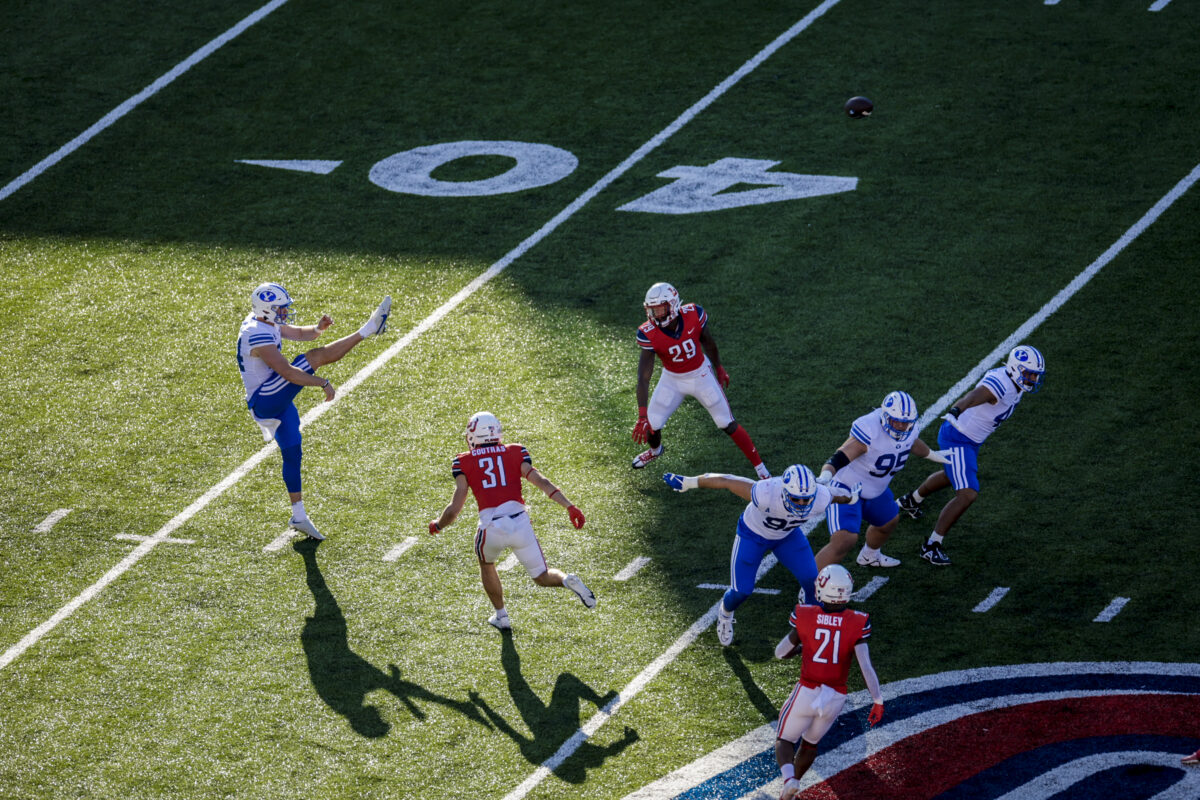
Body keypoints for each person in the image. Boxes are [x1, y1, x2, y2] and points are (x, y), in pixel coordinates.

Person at [237, 282, 391, 541]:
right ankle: (369, 329)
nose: (284, 313)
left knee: (293, 452)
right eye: (280, 309)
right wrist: (323, 383)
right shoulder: (256, 333)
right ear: (267, 309)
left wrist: (317, 329)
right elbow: (287, 372)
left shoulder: (263, 320)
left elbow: (297, 333)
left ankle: (298, 515)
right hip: (265, 399)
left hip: (276, 396)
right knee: (313, 358)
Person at [428, 412, 596, 630]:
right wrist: (569, 506)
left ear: (473, 435)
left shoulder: (463, 461)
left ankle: (501, 616)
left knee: (486, 564)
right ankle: (566, 579)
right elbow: (542, 482)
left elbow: (454, 508)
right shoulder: (515, 451)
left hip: (492, 526)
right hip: (520, 523)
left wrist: (438, 524)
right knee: (542, 576)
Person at [663, 465, 860, 646]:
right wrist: (689, 482)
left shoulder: (820, 497)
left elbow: (837, 496)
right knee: (741, 591)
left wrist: (852, 497)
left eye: (806, 499)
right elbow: (727, 480)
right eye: (795, 499)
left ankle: (809, 627)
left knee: (812, 581)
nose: (801, 504)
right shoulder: (766, 492)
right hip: (752, 536)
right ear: (784, 492)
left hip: (787, 537)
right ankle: (725, 612)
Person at [896, 345, 1046, 566]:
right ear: (1015, 369)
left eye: (1035, 374)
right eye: (1029, 373)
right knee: (967, 494)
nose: (1032, 378)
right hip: (958, 437)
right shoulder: (1002, 384)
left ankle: (912, 500)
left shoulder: (1015, 384)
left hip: (970, 440)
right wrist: (957, 409)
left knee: (951, 475)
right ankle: (931, 545)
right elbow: (976, 395)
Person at [632, 282, 770, 479]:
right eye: (652, 310)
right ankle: (655, 451)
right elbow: (643, 378)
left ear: (673, 305)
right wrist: (642, 415)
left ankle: (761, 469)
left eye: (660, 309)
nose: (656, 315)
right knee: (652, 423)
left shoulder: (693, 314)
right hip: (671, 379)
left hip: (700, 375)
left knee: (726, 422)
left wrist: (719, 368)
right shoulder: (648, 332)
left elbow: (708, 341)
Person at [773, 564, 884, 800]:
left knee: (784, 739)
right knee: (810, 744)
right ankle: (792, 788)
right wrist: (877, 700)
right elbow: (866, 666)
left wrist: (801, 647)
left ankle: (789, 780)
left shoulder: (805, 614)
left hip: (807, 690)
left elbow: (781, 652)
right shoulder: (858, 621)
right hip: (835, 696)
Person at [813, 391, 951, 570]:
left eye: (906, 423)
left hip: (876, 488)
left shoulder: (908, 430)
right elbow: (839, 457)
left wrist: (932, 454)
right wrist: (826, 475)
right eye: (897, 421)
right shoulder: (870, 430)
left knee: (889, 521)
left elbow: (912, 443)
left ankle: (869, 556)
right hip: (847, 488)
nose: (901, 426)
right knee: (844, 540)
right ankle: (809, 589)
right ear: (885, 416)